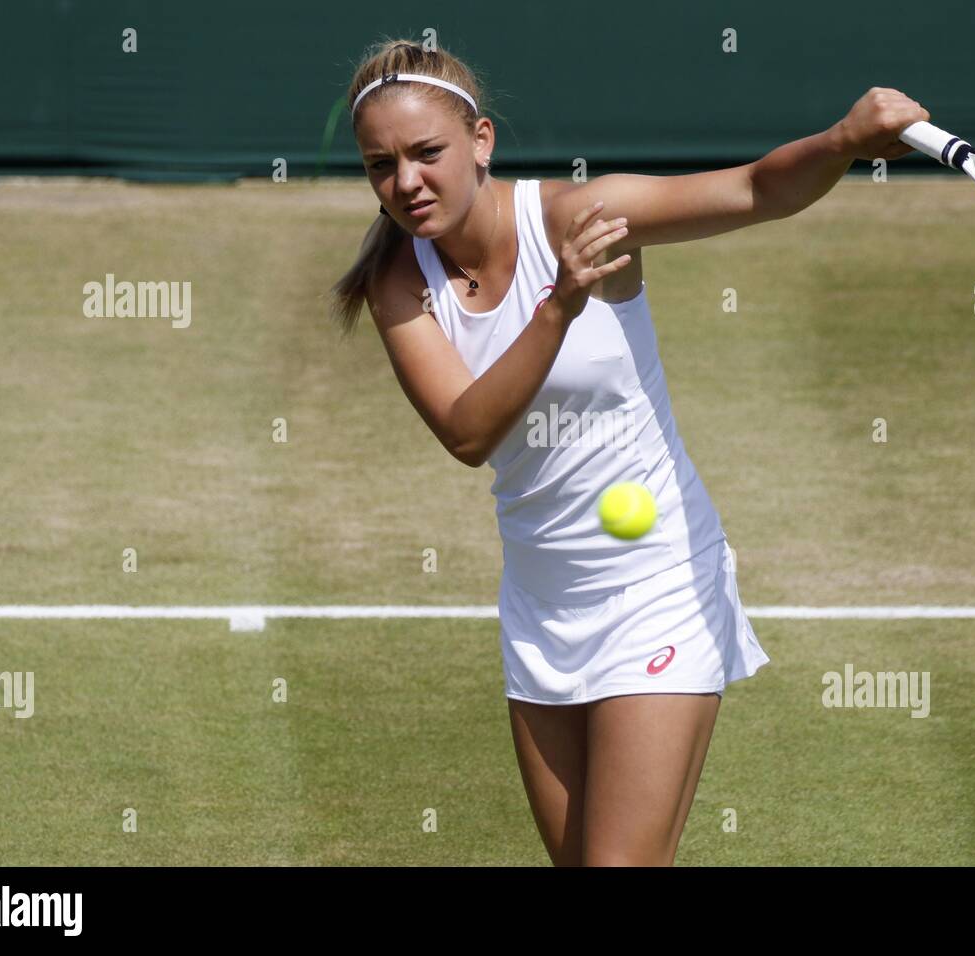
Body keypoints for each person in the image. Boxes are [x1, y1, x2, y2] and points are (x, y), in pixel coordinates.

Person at [332, 39, 929, 866]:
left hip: (658, 583)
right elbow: (468, 432)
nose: (406, 183)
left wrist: (842, 141)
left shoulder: (582, 215)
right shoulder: (398, 278)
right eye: (381, 165)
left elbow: (753, 189)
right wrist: (558, 305)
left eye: (427, 153)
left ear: (481, 141)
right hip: (542, 606)